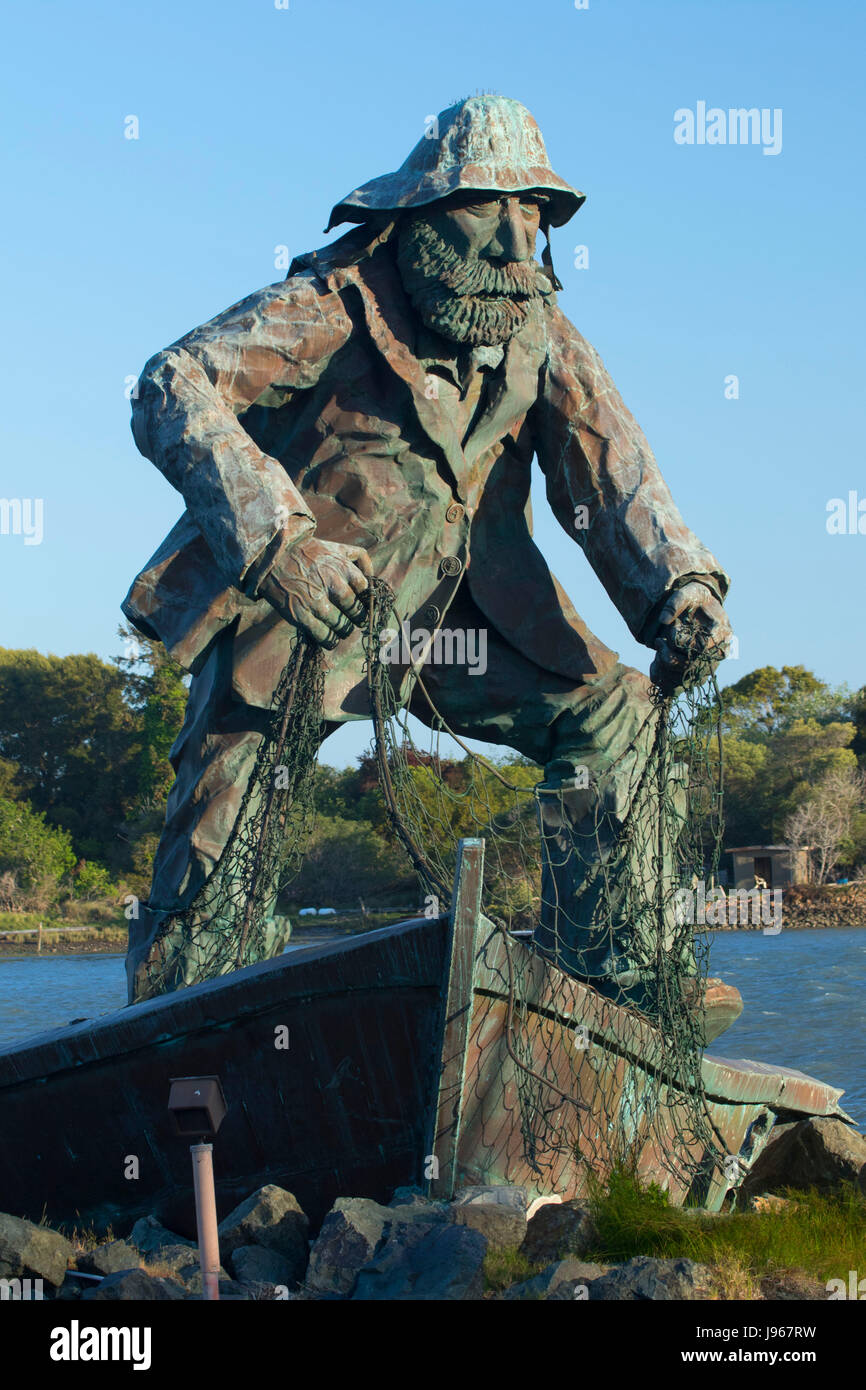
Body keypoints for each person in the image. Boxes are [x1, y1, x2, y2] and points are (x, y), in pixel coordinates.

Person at [123, 94, 732, 1004]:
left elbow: (611, 472)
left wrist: (679, 588)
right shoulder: (335, 299)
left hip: (470, 622)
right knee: (231, 811)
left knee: (621, 720)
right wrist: (277, 545)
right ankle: (187, 1022)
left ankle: (616, 984)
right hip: (308, 612)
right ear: (424, 215)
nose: (518, 239)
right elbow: (172, 385)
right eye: (492, 208)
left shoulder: (541, 331)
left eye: (534, 212)